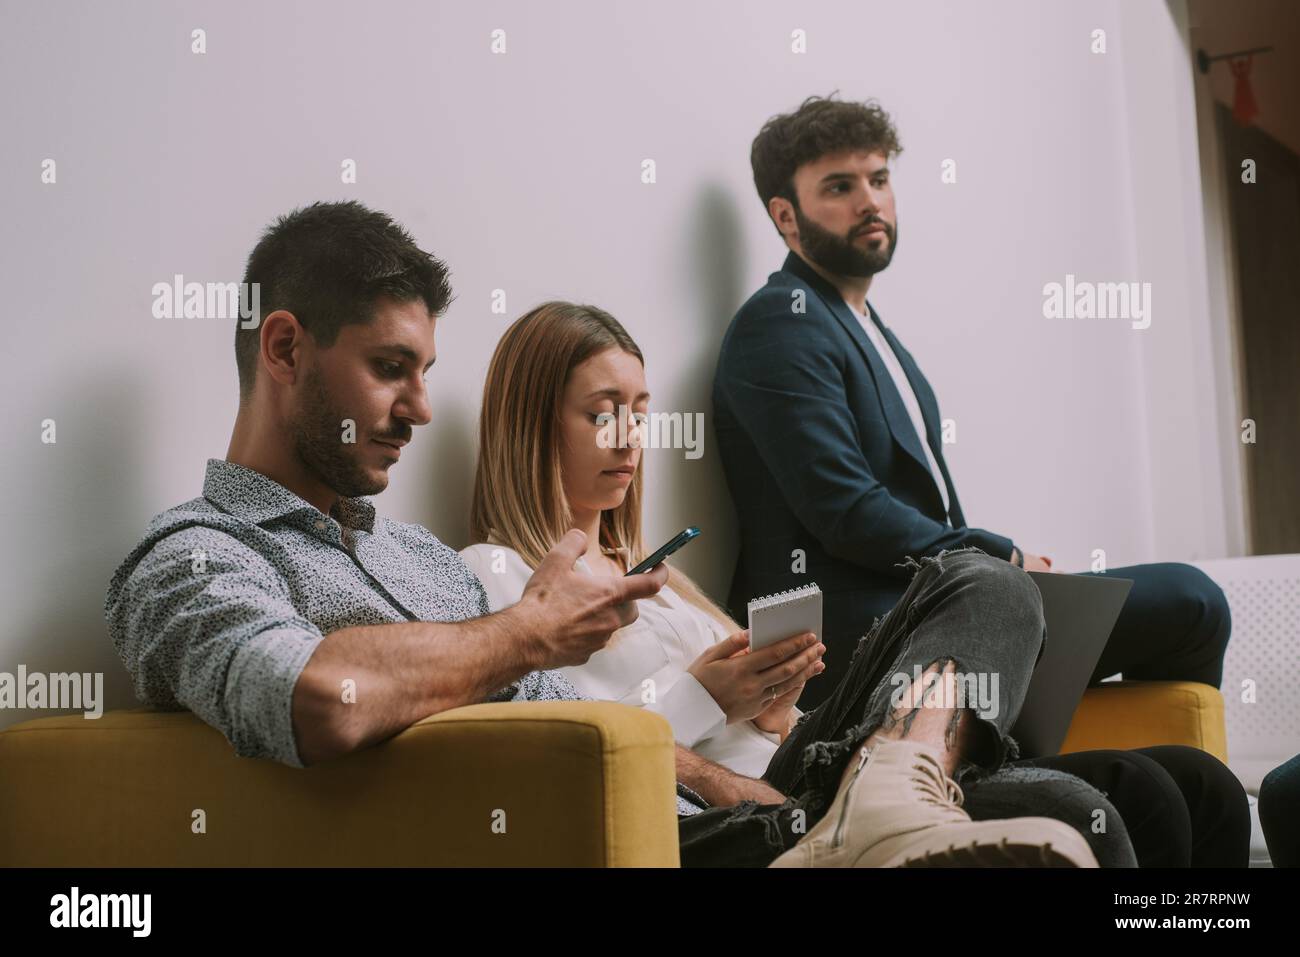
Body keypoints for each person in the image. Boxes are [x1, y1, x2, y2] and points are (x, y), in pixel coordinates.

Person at [103, 200, 1087, 868]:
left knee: (1081, 714)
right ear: (285, 348)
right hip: (610, 850)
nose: (422, 408)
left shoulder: (421, 561)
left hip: (702, 813)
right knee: (1071, 822)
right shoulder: (193, 556)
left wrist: (746, 793)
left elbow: (600, 733)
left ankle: (882, 789)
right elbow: (315, 697)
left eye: (425, 370)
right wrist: (530, 630)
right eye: (390, 367)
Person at [458, 299, 1246, 867]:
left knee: (1190, 782)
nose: (632, 438)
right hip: (768, 806)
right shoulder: (497, 574)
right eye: (603, 413)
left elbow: (759, 728)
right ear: (532, 424)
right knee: (1093, 808)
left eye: (640, 410)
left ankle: (906, 765)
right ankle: (897, 776)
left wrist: (773, 705)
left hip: (812, 762)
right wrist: (705, 694)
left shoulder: (667, 580)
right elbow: (560, 741)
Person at [710, 94, 1249, 865]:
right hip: (875, 643)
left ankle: (1006, 749)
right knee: (1191, 602)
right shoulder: (782, 322)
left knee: (1193, 765)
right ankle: (976, 754)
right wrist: (1001, 557)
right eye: (839, 185)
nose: (870, 199)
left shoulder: (870, 330)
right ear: (787, 217)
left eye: (879, 178)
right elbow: (846, 512)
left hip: (944, 612)